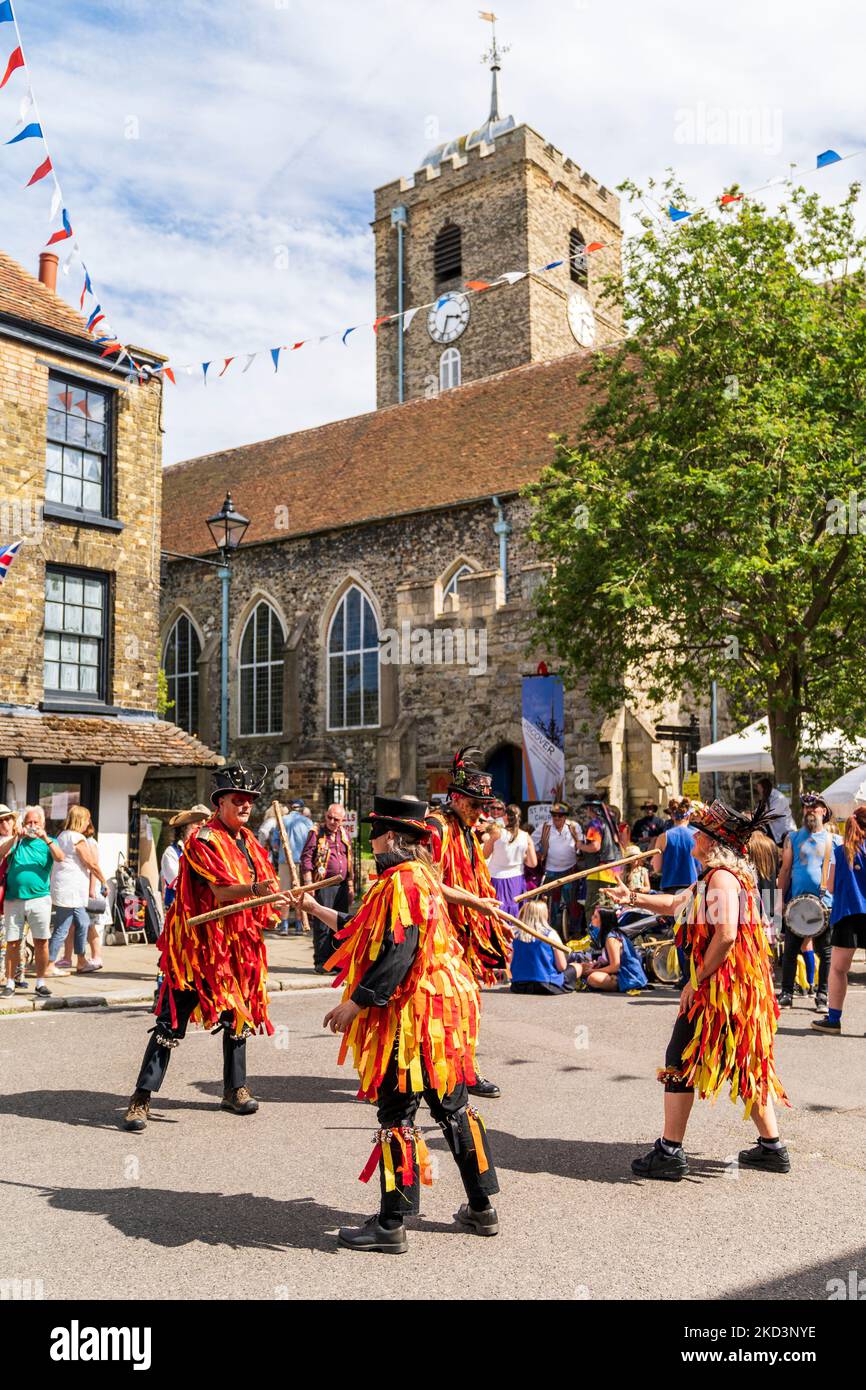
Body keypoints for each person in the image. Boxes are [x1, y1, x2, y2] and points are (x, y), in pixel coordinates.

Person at [306, 794, 499, 1254]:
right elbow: (361, 926)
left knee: (397, 1114)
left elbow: (398, 953)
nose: (371, 845)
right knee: (454, 1108)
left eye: (374, 836)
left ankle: (391, 1224)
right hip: (440, 1015)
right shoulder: (420, 878)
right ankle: (481, 1208)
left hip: (412, 1018)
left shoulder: (402, 884)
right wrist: (315, 910)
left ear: (392, 837)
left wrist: (356, 1002)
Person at [608, 798, 790, 1180]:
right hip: (737, 990)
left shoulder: (722, 878)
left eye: (700, 831)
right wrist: (634, 898)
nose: (693, 835)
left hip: (722, 990)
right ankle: (773, 1148)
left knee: (678, 1059)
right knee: (745, 1063)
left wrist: (697, 979)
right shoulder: (718, 876)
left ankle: (670, 1152)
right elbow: (678, 904)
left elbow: (724, 936)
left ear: (711, 841)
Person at [122, 762, 294, 1132]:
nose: (246, 806)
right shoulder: (203, 840)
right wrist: (256, 891)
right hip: (198, 950)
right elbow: (220, 892)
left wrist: (276, 900)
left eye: (250, 800)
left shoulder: (249, 842)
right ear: (220, 802)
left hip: (236, 947)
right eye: (239, 799)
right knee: (170, 1023)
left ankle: (234, 1090)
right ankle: (141, 1098)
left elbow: (261, 888)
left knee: (238, 1018)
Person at [425, 747, 511, 1100]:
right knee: (443, 1005)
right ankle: (446, 1071)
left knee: (467, 1002)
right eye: (474, 804)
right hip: (440, 934)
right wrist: (473, 902)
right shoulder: (436, 828)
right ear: (456, 798)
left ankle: (464, 1069)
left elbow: (473, 877)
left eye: (484, 806)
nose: (480, 812)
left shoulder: (466, 830)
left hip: (466, 933)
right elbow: (430, 883)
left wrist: (482, 910)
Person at [776, 793, 838, 1009]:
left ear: (824, 811)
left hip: (826, 905)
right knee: (791, 950)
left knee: (825, 952)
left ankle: (822, 995)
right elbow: (784, 871)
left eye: (816, 807)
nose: (810, 810)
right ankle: (786, 993)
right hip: (796, 905)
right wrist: (778, 903)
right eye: (806, 807)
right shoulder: (792, 838)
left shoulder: (834, 841)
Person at [0, 805, 65, 999]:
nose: (32, 826)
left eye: (36, 822)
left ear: (43, 824)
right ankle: (10, 982)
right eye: (29, 822)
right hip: (14, 899)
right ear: (23, 823)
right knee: (12, 942)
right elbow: (1, 853)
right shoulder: (16, 841)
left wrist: (45, 838)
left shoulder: (49, 842)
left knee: (41, 942)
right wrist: (15, 837)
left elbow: (60, 857)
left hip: (39, 899)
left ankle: (40, 982)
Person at [812, 806, 866, 1036]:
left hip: (847, 915)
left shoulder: (840, 851)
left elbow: (831, 885)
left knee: (838, 969)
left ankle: (833, 1020)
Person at [48, 805, 108, 974]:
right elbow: (91, 863)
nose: (89, 822)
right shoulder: (77, 838)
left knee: (83, 923)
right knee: (63, 927)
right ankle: (49, 963)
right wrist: (103, 881)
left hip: (68, 889)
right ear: (81, 820)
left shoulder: (63, 836)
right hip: (71, 891)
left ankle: (81, 961)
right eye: (87, 819)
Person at [300, 803, 353, 972]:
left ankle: (337, 962)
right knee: (322, 925)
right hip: (323, 885)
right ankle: (322, 962)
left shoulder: (345, 834)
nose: (331, 821)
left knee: (340, 924)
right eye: (329, 817)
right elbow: (306, 859)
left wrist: (351, 884)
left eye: (336, 819)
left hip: (342, 886)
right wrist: (309, 884)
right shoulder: (316, 833)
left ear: (342, 820)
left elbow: (350, 859)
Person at [572, 904, 648, 993]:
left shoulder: (612, 939)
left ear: (603, 922)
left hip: (629, 978)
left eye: (595, 917)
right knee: (585, 967)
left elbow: (615, 967)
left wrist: (593, 971)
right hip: (619, 974)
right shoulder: (609, 935)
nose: (592, 918)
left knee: (593, 978)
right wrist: (597, 964)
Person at [532, 802, 583, 936]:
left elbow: (581, 843)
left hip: (570, 870)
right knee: (550, 903)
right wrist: (537, 853)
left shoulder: (573, 827)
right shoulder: (545, 827)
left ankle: (574, 932)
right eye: (554, 815)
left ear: (565, 817)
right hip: (551, 871)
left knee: (572, 902)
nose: (556, 818)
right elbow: (531, 842)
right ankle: (549, 931)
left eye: (560, 816)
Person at [510, 899, 579, 994]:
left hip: (519, 985)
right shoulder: (550, 934)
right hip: (546, 984)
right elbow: (562, 967)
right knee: (577, 967)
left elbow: (511, 962)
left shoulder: (514, 934)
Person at [484, 802, 537, 919]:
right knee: (516, 912)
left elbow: (485, 855)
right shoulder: (526, 836)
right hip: (517, 880)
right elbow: (532, 863)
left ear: (506, 816)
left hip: (496, 880)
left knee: (497, 912)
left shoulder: (496, 833)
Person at [271, 800, 314, 935]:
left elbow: (276, 844)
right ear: (301, 809)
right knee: (301, 893)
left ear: (291, 808)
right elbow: (312, 844)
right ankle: (299, 924)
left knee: (285, 892)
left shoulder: (282, 820)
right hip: (302, 862)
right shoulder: (307, 822)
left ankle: (283, 925)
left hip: (285, 861)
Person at [160, 805, 210, 909]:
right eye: (196, 823)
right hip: (179, 911)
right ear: (184, 828)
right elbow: (179, 884)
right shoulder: (171, 853)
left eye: (203, 824)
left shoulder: (207, 853)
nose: (200, 827)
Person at [755, 776, 796, 847]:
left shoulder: (778, 798)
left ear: (765, 788)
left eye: (760, 789)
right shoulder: (766, 797)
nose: (759, 791)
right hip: (774, 832)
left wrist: (757, 818)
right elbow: (759, 810)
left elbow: (771, 815)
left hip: (785, 832)